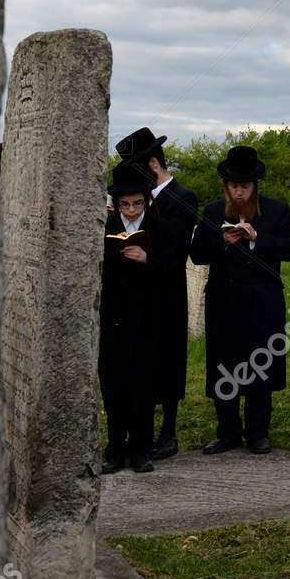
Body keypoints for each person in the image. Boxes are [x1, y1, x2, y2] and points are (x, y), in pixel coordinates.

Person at [189, 145, 290, 455]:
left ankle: (258, 433)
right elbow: (197, 254)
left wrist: (256, 239)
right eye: (234, 186)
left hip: (263, 302)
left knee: (260, 365)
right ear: (226, 186)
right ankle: (228, 432)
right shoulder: (212, 211)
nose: (239, 192)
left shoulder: (275, 210)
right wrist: (221, 241)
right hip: (224, 302)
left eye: (245, 186)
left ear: (255, 186)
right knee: (225, 365)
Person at [116, 126, 198, 460]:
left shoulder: (183, 197)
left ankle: (169, 430)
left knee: (168, 361)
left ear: (152, 165)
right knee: (138, 363)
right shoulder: (130, 198)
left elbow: (177, 247)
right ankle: (139, 430)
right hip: (133, 295)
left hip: (166, 291)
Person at [99, 161, 176, 475]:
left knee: (142, 385)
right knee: (114, 384)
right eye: (124, 204)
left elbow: (172, 270)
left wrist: (148, 259)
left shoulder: (161, 228)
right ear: (115, 203)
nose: (130, 210)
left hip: (148, 318)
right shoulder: (104, 228)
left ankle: (141, 448)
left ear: (147, 200)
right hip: (114, 318)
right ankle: (115, 448)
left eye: (137, 203)